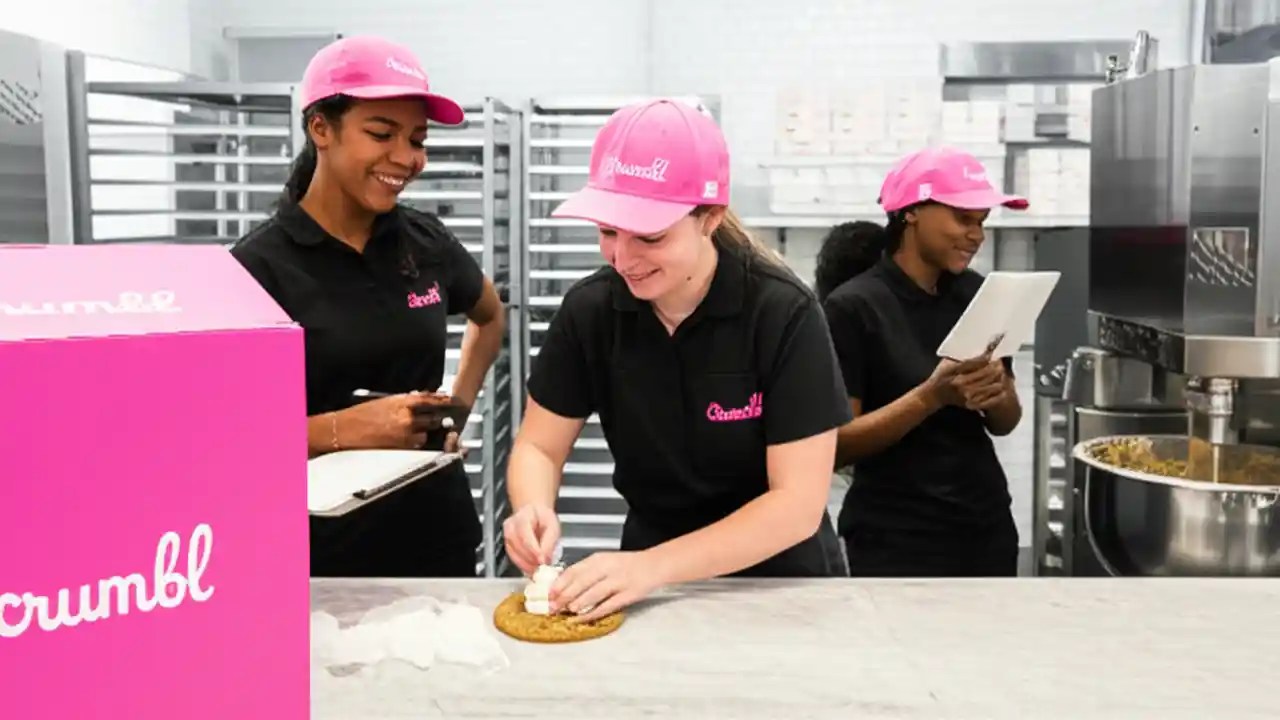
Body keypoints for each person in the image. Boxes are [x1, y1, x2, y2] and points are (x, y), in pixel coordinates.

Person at [503, 98, 852, 622]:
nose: (623, 258)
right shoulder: (591, 312)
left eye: (650, 237)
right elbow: (538, 445)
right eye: (607, 232)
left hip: (777, 584)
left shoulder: (782, 313)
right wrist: (532, 506)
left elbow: (796, 506)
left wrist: (651, 567)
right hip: (649, 590)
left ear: (709, 218)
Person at [230, 36, 505, 578]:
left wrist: (457, 408)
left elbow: (490, 317)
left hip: (434, 533)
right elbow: (229, 437)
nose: (406, 158)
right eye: (381, 133)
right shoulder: (257, 269)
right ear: (321, 128)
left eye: (417, 138)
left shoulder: (426, 243)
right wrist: (346, 428)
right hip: (320, 550)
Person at [816, 146, 1028, 578]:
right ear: (912, 212)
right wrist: (932, 397)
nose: (977, 235)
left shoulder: (976, 294)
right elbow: (836, 445)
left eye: (982, 223)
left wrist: (999, 392)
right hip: (897, 538)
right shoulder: (854, 307)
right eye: (964, 219)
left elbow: (1004, 421)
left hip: (986, 526)